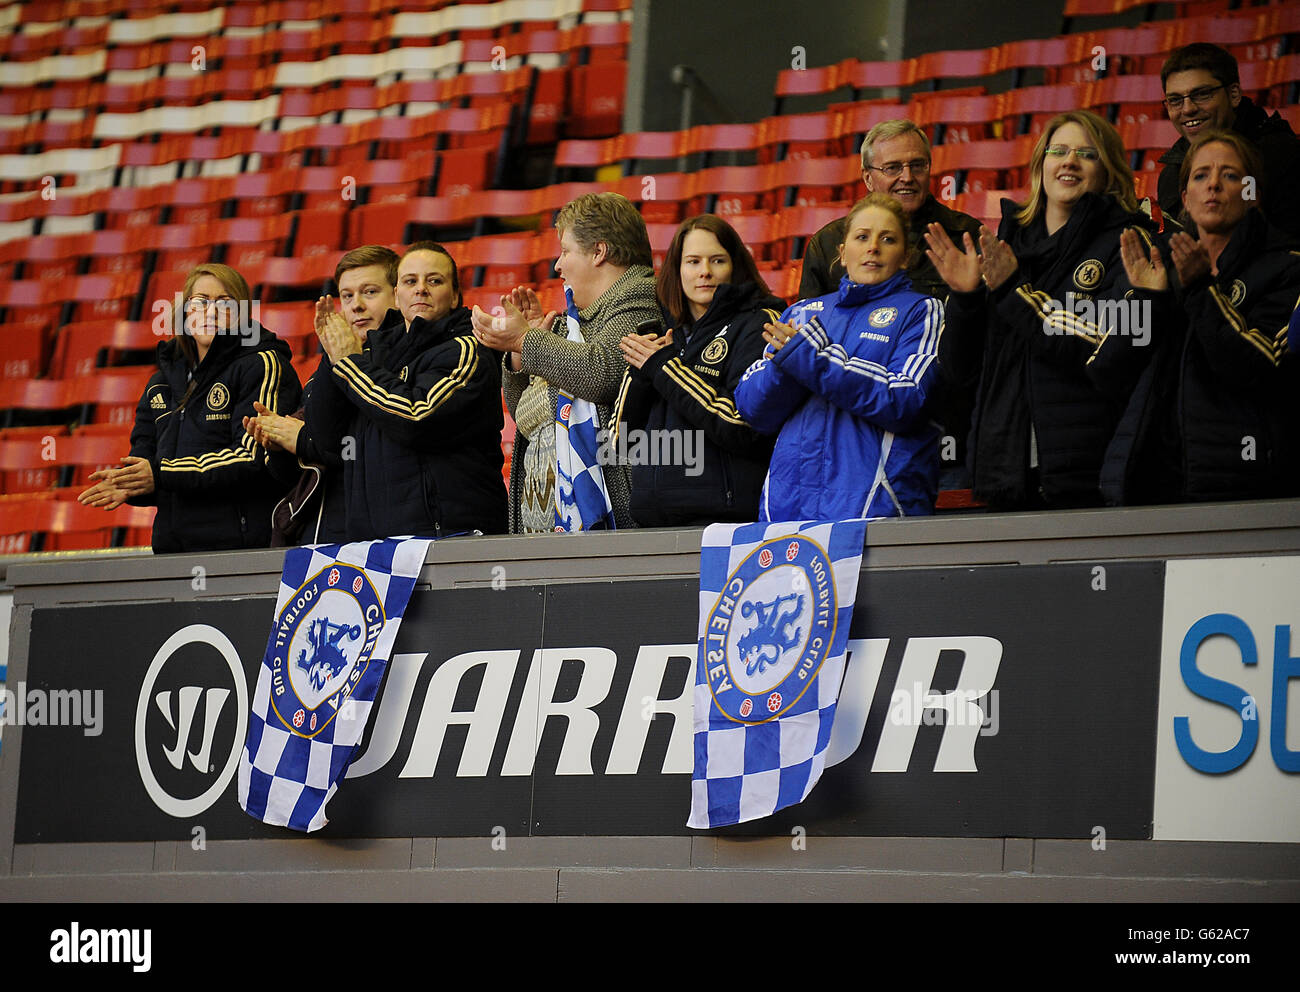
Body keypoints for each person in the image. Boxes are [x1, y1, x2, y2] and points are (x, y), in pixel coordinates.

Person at [924, 110, 1163, 510]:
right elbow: (960, 372)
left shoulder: (1128, 243)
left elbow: (1104, 346)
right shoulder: (1007, 245)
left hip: (1087, 473)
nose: (1070, 161)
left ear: (1108, 170)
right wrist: (966, 300)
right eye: (1059, 151)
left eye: (1087, 154)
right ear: (1040, 165)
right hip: (1004, 472)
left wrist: (1012, 292)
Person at [1104, 130, 1300, 504]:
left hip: (1242, 484)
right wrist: (1146, 299)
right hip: (1151, 481)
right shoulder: (1156, 265)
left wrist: (1200, 291)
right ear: (1185, 199)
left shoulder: (1287, 269)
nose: (1213, 184)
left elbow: (1259, 366)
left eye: (1230, 175)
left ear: (1252, 194)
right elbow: (1108, 371)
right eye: (1200, 175)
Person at [734, 193, 944, 520]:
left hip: (875, 509)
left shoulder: (922, 310)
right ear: (843, 254)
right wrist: (791, 365)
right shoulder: (802, 312)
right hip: (786, 511)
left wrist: (809, 357)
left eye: (888, 239)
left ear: (905, 257)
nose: (873, 247)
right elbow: (752, 409)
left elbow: (906, 399)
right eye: (862, 237)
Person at [470, 192, 661, 532]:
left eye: (566, 251)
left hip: (611, 539)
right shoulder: (572, 324)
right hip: (549, 533)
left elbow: (602, 373)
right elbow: (524, 416)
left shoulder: (639, 298)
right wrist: (520, 356)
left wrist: (526, 341)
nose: (557, 265)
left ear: (598, 252)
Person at [78, 263, 301, 552]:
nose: (211, 311)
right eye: (201, 301)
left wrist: (160, 474)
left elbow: (251, 458)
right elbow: (146, 456)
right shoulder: (160, 382)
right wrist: (130, 483)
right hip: (172, 550)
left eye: (225, 302)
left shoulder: (262, 364)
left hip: (242, 551)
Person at [311, 241, 508, 540]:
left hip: (452, 538)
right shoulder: (375, 355)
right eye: (410, 281)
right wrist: (332, 356)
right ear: (397, 295)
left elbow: (417, 416)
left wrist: (349, 362)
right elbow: (327, 439)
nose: (421, 290)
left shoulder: (467, 349)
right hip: (375, 544)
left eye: (434, 281)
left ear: (455, 296)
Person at [611, 214, 783, 526]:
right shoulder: (667, 336)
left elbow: (742, 424)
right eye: (693, 262)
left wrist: (664, 368)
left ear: (735, 266)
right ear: (677, 270)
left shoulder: (761, 324)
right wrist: (642, 374)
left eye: (717, 260)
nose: (705, 271)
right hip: (653, 524)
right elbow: (621, 442)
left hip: (726, 524)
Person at [244, 245, 399, 545]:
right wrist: (279, 445)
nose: (356, 306)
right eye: (347, 296)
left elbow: (375, 450)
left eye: (369, 292)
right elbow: (298, 474)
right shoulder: (324, 369)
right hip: (320, 534)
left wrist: (303, 439)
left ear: (396, 295)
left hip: (378, 538)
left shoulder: (406, 363)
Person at [799, 120, 982, 301]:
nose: (907, 178)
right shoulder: (827, 243)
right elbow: (808, 316)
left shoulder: (967, 235)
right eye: (892, 168)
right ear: (868, 178)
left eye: (917, 166)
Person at [1156, 43, 1300, 239]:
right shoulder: (1171, 175)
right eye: (1175, 100)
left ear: (1234, 94)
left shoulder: (1282, 156)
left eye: (1202, 94)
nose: (1187, 109)